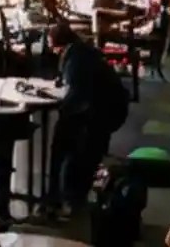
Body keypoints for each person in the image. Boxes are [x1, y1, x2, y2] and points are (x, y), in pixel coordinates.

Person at [42, 23, 129, 221]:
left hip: (99, 112)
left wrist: (62, 111)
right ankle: (71, 201)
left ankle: (64, 202)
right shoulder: (82, 52)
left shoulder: (75, 59)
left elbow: (77, 95)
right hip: (109, 108)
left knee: (69, 150)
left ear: (58, 44)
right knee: (83, 153)